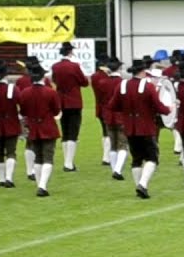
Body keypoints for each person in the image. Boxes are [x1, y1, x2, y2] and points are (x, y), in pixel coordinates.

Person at [112, 59, 172, 199]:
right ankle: (143, 184)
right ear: (143, 71)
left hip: (129, 127)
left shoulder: (122, 85)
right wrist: (170, 108)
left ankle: (139, 186)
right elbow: (159, 107)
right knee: (152, 158)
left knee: (136, 159)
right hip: (146, 127)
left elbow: (113, 105)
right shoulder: (149, 86)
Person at [17, 61, 62, 197]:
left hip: (33, 127)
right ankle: (42, 186)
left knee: (38, 158)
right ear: (43, 77)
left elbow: (23, 111)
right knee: (48, 158)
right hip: (47, 127)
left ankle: (40, 184)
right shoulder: (50, 92)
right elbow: (56, 111)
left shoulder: (25, 93)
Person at [51, 42, 89, 173]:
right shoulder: (75, 66)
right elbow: (84, 82)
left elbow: (55, 80)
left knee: (65, 131)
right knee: (73, 132)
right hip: (74, 101)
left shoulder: (55, 66)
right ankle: (68, 163)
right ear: (70, 52)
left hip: (61, 101)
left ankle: (67, 161)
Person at [15, 56, 52, 180]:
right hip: (43, 116)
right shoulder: (44, 80)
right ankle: (36, 168)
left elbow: (18, 99)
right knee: (41, 144)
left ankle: (30, 170)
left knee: (29, 143)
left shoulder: (20, 81)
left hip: (27, 115)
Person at [91, 56, 119, 166]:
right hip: (111, 108)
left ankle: (106, 156)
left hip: (100, 106)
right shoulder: (107, 77)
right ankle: (108, 156)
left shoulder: (95, 76)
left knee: (105, 132)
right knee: (111, 133)